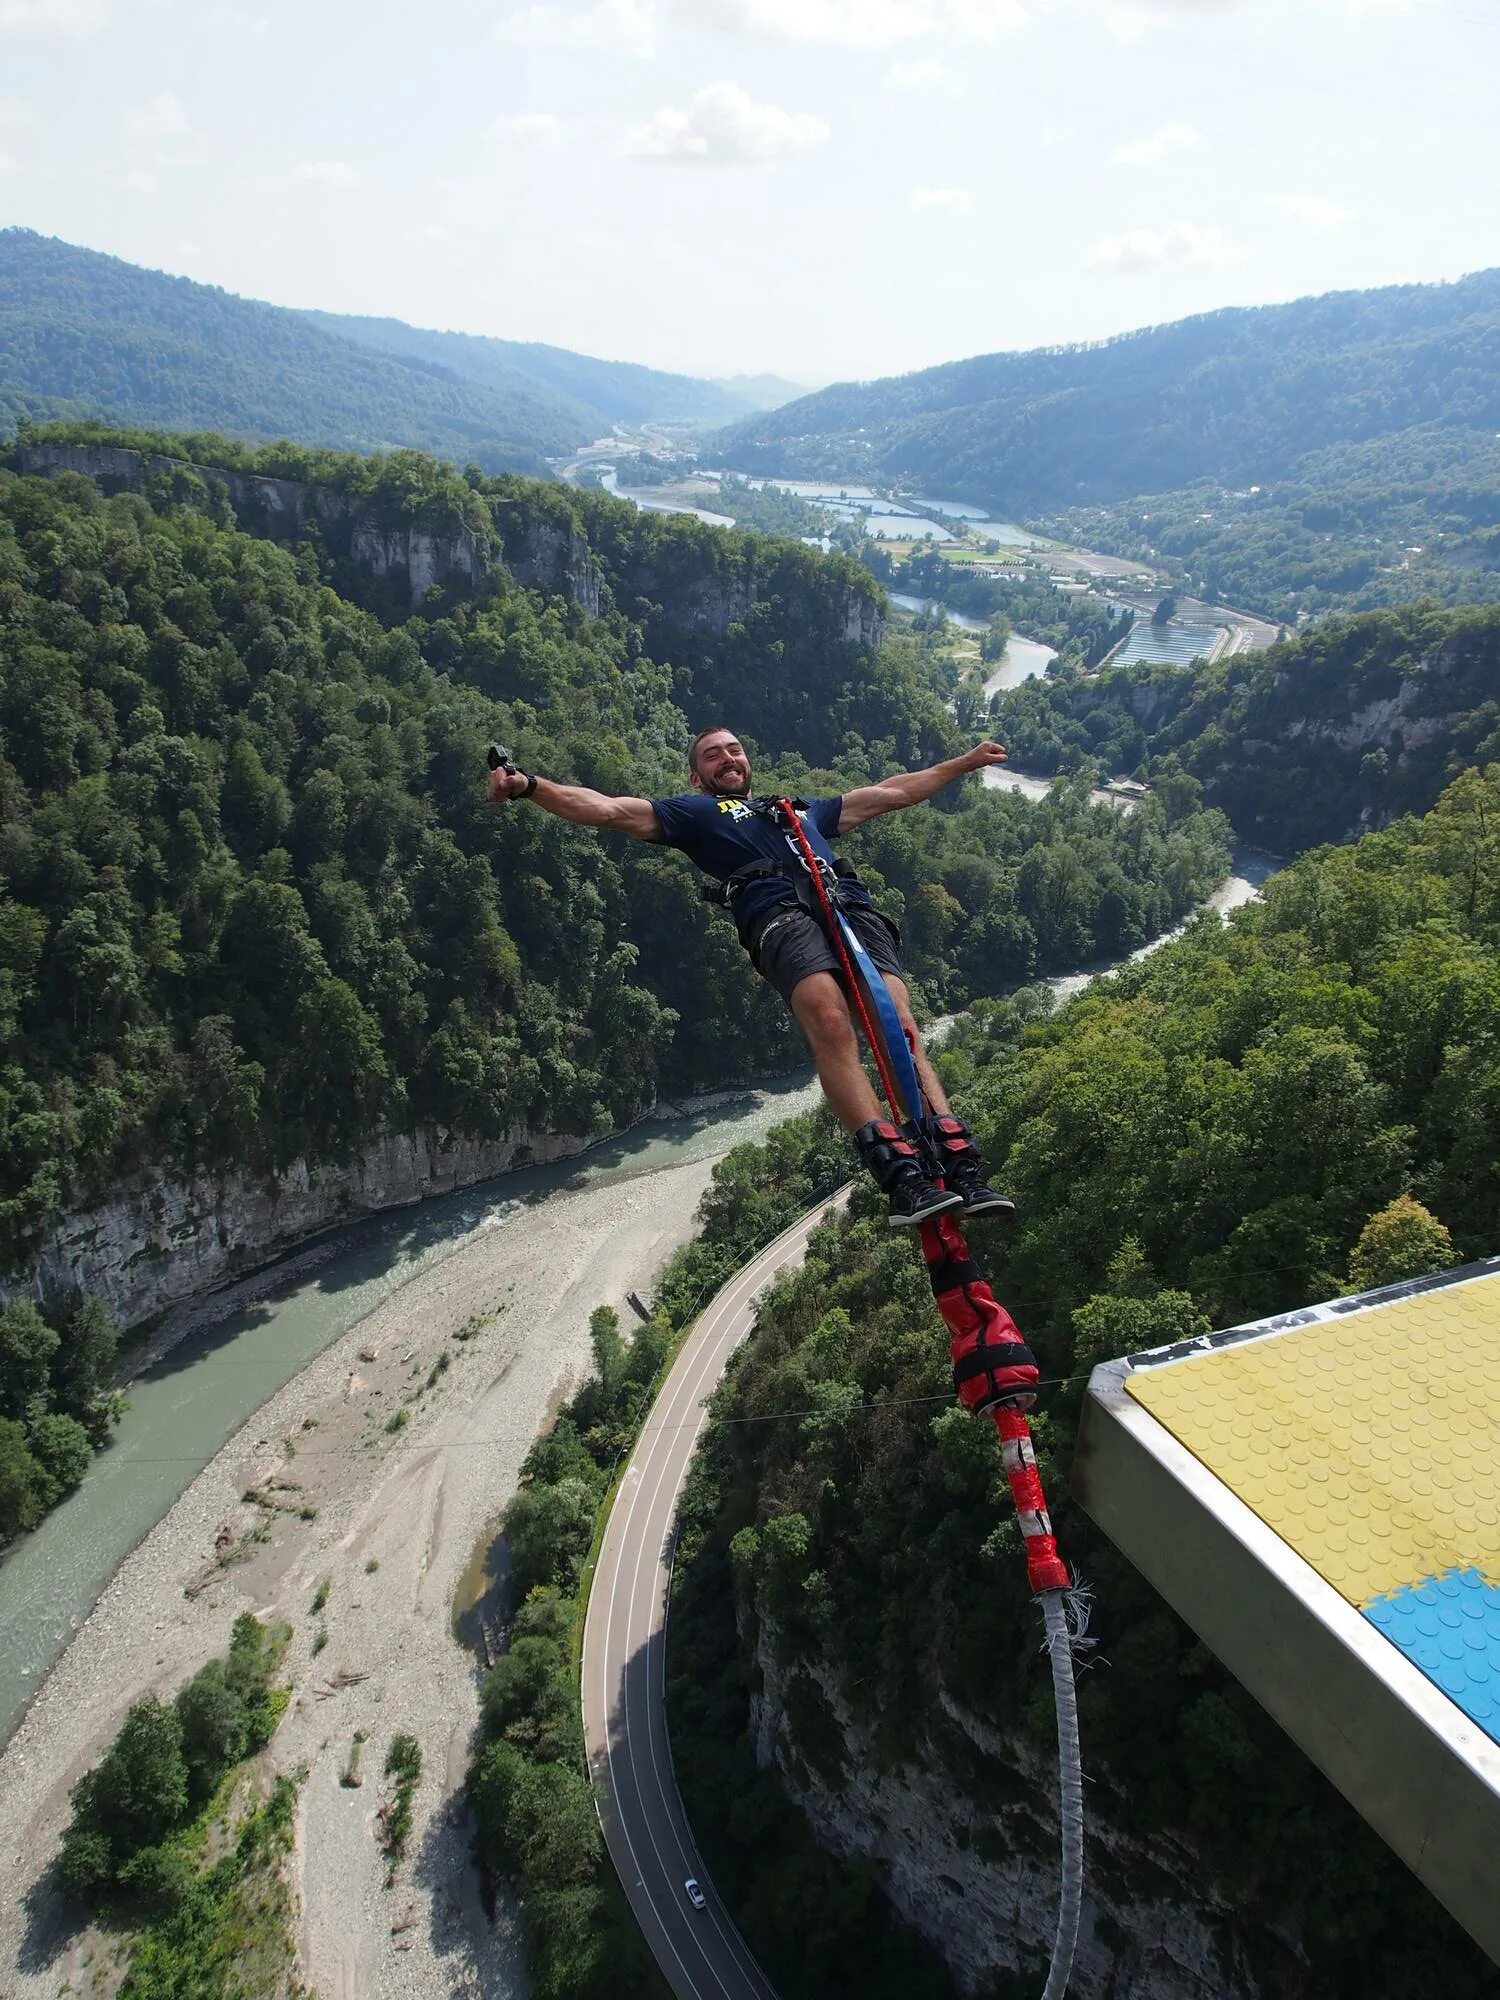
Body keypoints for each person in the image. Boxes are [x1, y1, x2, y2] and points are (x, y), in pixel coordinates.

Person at [487, 725, 1015, 1228]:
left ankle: (961, 1168)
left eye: (733, 749)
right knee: (830, 1021)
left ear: (748, 760)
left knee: (899, 1024)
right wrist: (529, 786)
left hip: (848, 906)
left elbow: (892, 792)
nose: (727, 758)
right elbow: (605, 809)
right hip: (779, 914)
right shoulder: (693, 813)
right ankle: (902, 1177)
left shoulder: (797, 811)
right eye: (712, 755)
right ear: (697, 777)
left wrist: (964, 763)